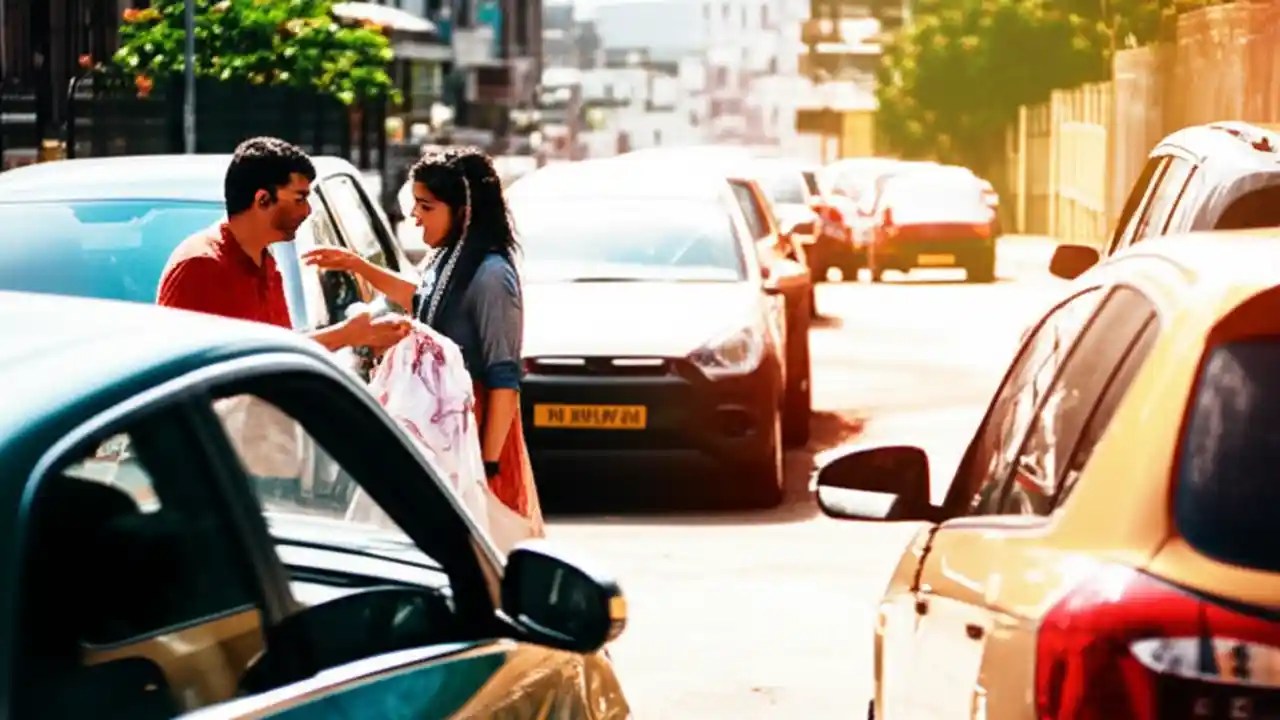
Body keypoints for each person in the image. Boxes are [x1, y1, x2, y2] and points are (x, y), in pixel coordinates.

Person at [301, 146, 540, 520]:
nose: (414, 217)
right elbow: (421, 298)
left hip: (471, 433)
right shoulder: (447, 258)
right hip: (435, 428)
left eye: (426, 207)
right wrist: (356, 265)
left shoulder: (493, 275)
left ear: (463, 210)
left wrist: (488, 467)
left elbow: (504, 380)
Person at [156, 136, 410, 352]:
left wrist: (357, 337)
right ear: (263, 199)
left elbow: (276, 351)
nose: (308, 210)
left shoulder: (265, 259)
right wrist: (345, 335)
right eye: (299, 199)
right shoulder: (200, 267)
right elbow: (207, 369)